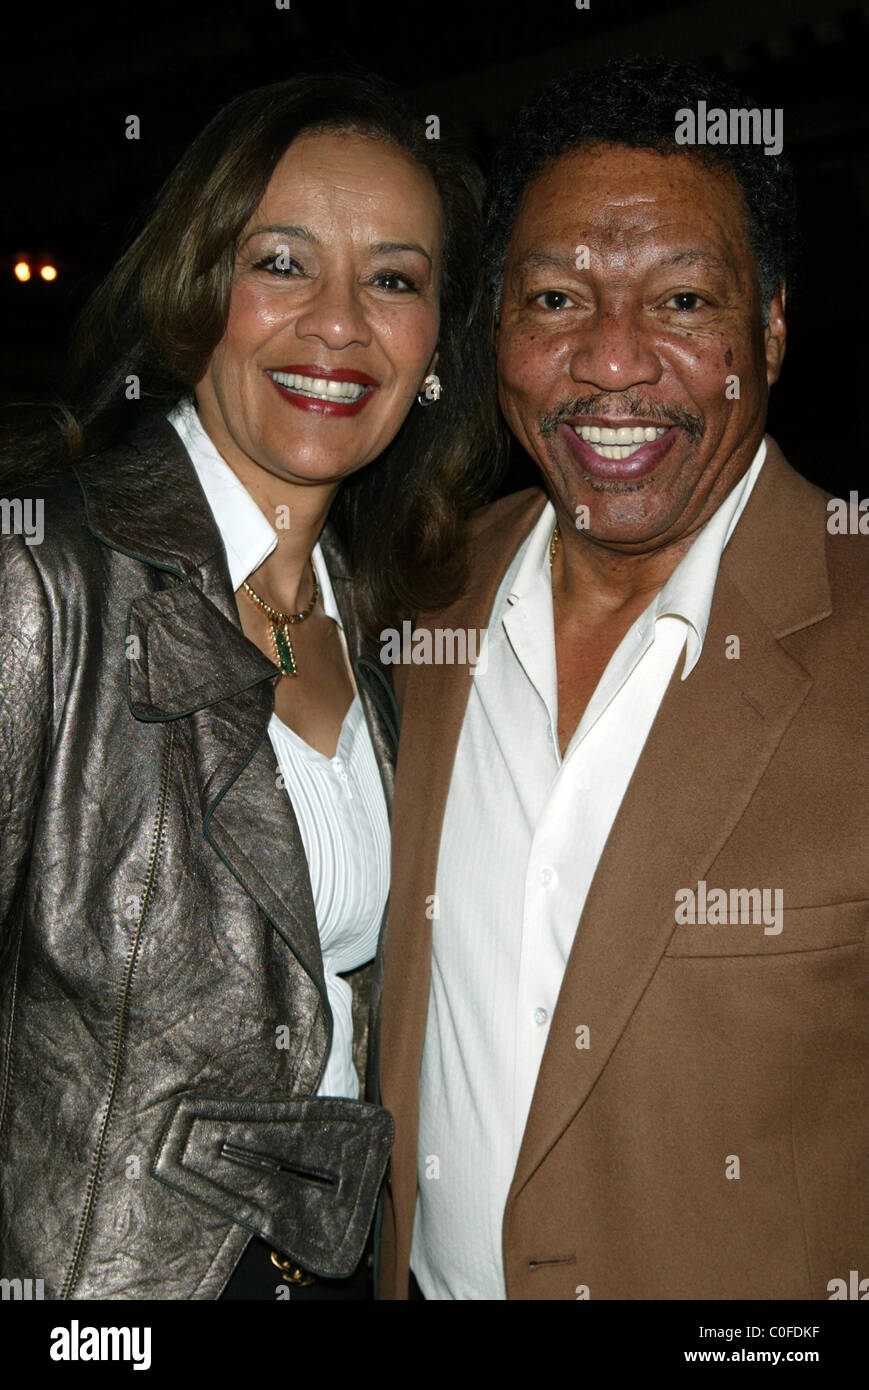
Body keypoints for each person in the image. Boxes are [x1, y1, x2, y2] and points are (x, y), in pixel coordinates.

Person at [0, 71, 498, 1300]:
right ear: (194, 284)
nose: (338, 324)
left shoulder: (390, 619)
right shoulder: (45, 575)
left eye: (392, 279)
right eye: (281, 263)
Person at [378, 56, 869, 1300]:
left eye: (681, 301)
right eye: (553, 299)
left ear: (765, 328)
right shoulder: (413, 600)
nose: (610, 362)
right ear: (493, 330)